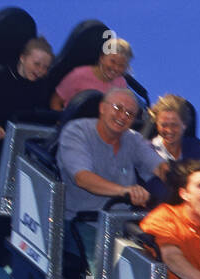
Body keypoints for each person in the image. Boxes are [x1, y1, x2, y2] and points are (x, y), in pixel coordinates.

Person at [57, 88, 167, 268]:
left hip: (122, 224)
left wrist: (178, 179)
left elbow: (160, 167)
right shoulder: (77, 132)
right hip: (82, 222)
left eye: (130, 113)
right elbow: (82, 178)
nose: (123, 116)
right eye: (118, 108)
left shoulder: (133, 139)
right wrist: (125, 191)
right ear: (102, 108)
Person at [0, 36, 54, 178]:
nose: (40, 71)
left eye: (45, 68)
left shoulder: (42, 86)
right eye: (36, 64)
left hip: (20, 143)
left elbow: (39, 117)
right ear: (23, 58)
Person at [50, 36, 132, 110]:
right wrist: (60, 123)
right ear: (102, 57)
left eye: (121, 65)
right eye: (112, 61)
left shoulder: (121, 84)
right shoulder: (79, 75)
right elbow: (56, 101)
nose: (116, 68)